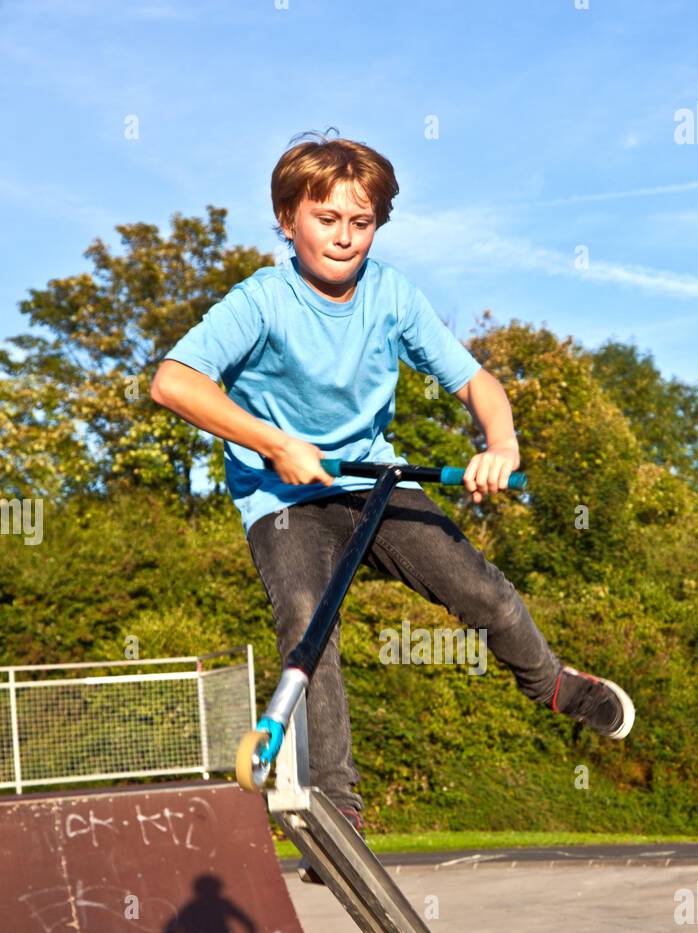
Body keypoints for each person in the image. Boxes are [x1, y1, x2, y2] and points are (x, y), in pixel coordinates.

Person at [151, 130, 635, 878]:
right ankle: (337, 809)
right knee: (310, 626)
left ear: (377, 225)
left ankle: (557, 685)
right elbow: (174, 382)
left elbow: (478, 385)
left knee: (481, 592)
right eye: (325, 219)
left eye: (361, 222)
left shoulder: (392, 295)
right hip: (284, 498)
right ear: (287, 219)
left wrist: (499, 444)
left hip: (373, 483)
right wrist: (274, 444)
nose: (343, 238)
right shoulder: (260, 300)